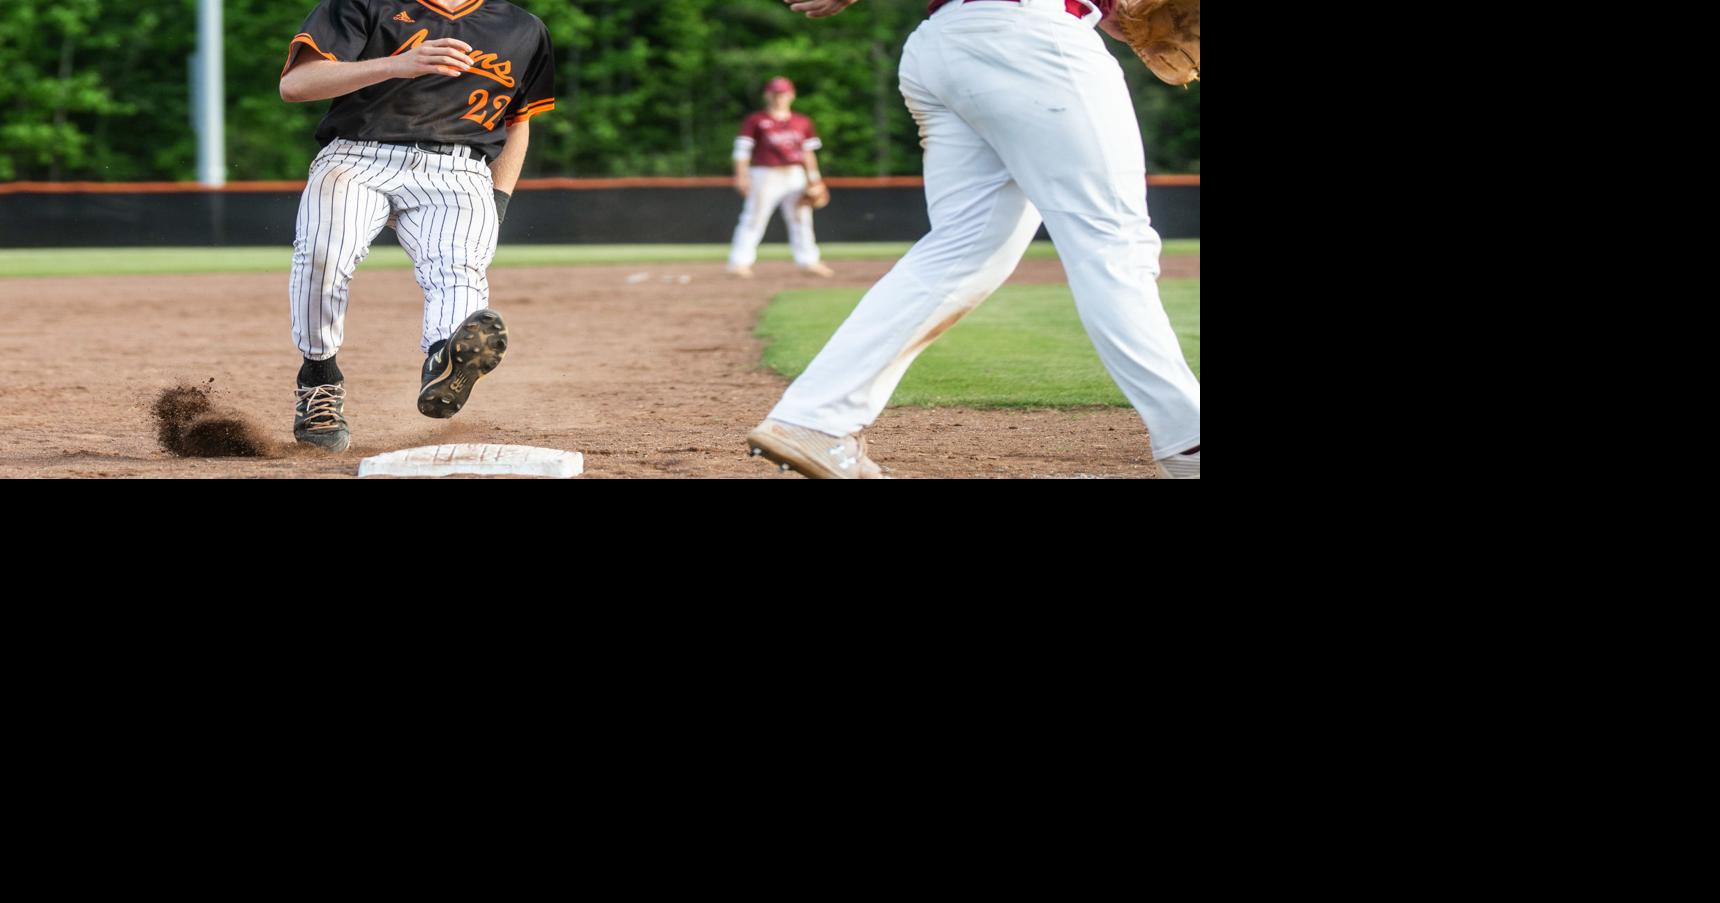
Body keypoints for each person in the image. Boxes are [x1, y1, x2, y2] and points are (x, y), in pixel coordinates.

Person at [747, 0, 1200, 478]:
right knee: (1114, 243)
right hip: (1033, 39)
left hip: (945, 45)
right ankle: (1190, 437)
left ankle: (814, 418)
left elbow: (1117, 17)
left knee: (966, 249)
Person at [279, 0, 556, 451]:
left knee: (460, 268)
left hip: (460, 170)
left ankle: (445, 363)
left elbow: (517, 121)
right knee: (323, 257)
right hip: (357, 156)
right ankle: (319, 379)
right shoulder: (363, 5)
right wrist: (397, 64)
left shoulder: (523, 28)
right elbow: (296, 85)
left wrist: (498, 198)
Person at [727, 77, 835, 280]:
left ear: (791, 95)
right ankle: (739, 263)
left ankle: (809, 261)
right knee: (754, 218)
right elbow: (742, 150)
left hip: (795, 174)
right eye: (775, 94)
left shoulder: (801, 121)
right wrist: (741, 175)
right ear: (767, 95)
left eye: (783, 94)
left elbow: (808, 154)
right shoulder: (756, 120)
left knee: (801, 218)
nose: (779, 98)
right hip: (765, 173)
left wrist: (815, 179)